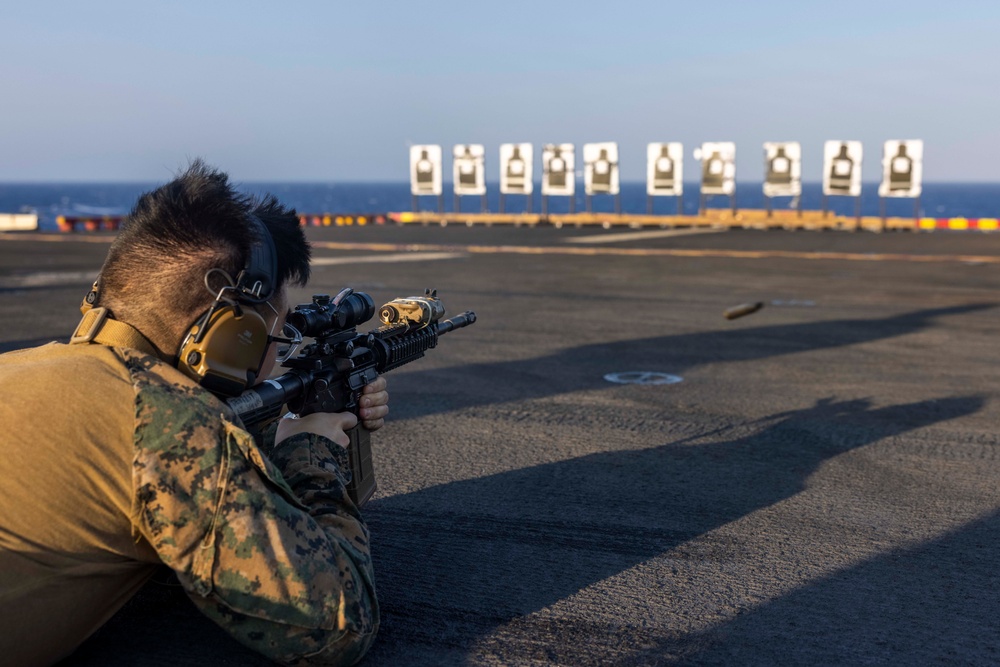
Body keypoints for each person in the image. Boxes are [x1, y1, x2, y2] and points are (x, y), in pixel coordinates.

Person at [0, 161, 388, 666]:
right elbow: (340, 623)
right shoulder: (164, 423)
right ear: (233, 336)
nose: (282, 349)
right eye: (280, 331)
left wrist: (285, 418)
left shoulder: (22, 366)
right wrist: (310, 451)